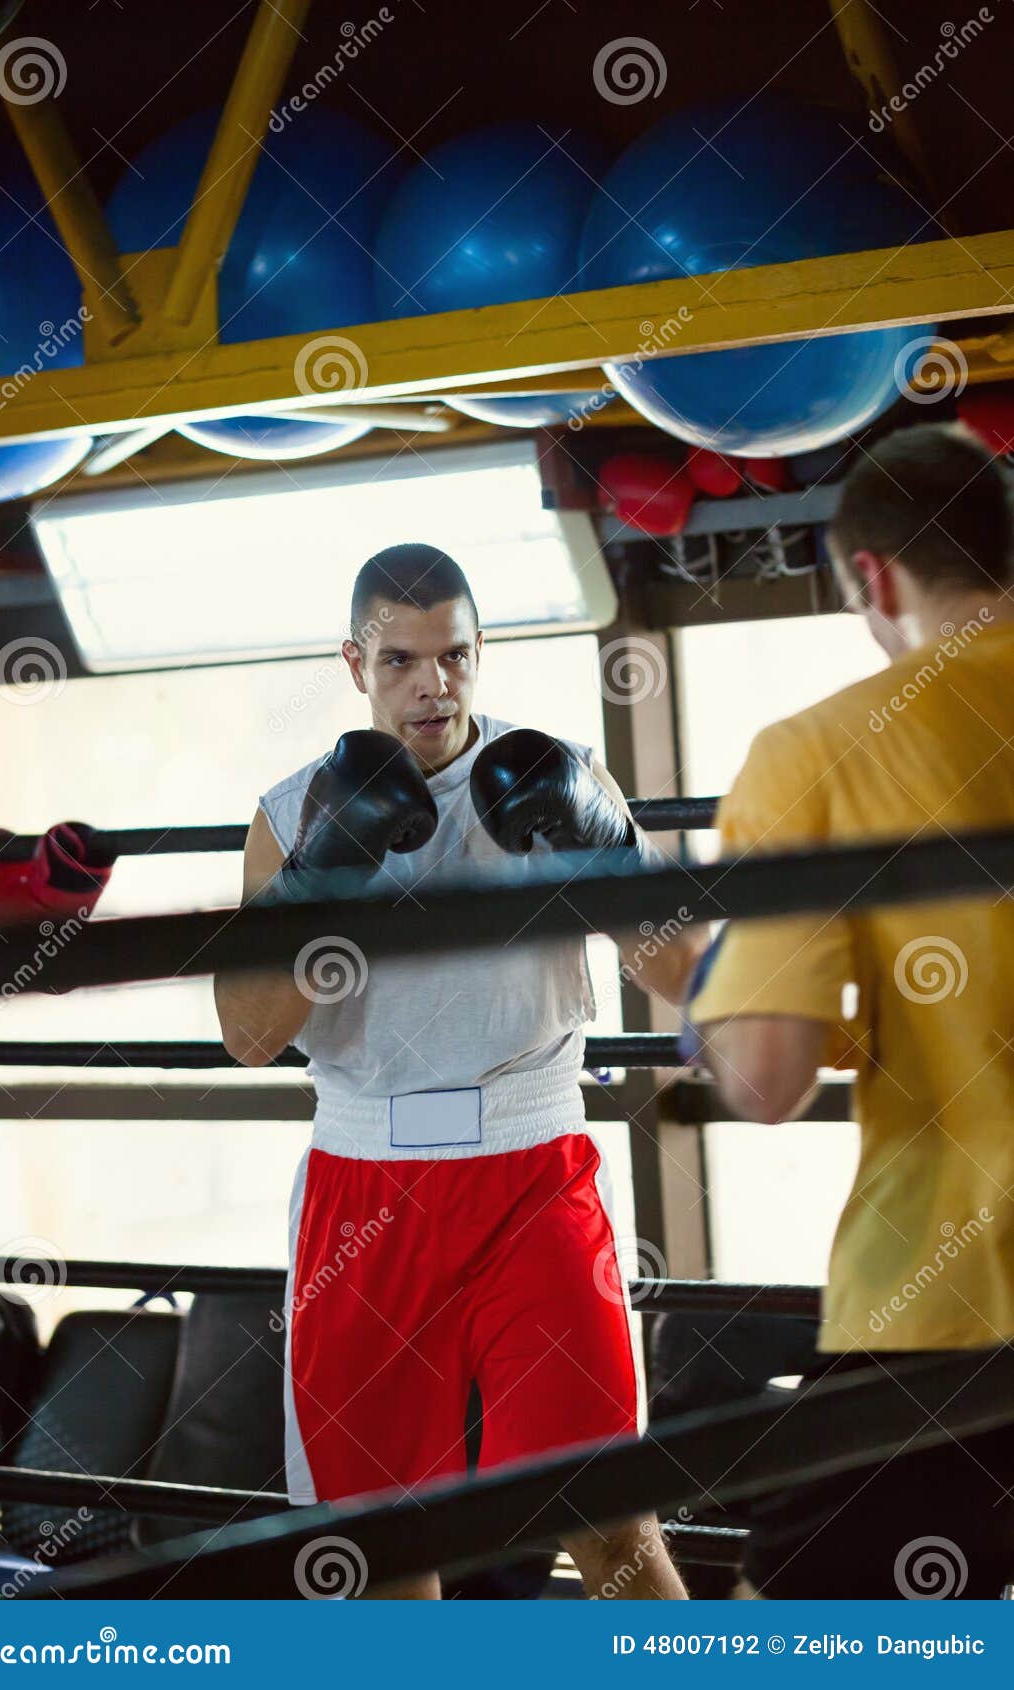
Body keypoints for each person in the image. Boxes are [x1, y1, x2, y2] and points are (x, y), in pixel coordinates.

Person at [214, 543, 706, 1600]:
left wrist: (606, 846)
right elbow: (247, 1034)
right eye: (399, 660)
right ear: (354, 663)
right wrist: (321, 881)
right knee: (382, 1553)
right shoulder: (291, 814)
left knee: (610, 1523)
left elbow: (679, 974)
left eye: (453, 657)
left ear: (481, 655)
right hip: (364, 1197)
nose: (431, 685)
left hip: (531, 1173)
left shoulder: (560, 776)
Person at [684, 422, 1014, 1599]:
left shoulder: (816, 751)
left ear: (871, 578)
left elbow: (766, 1080)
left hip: (951, 1293)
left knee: (790, 1626)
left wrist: (710, 999)